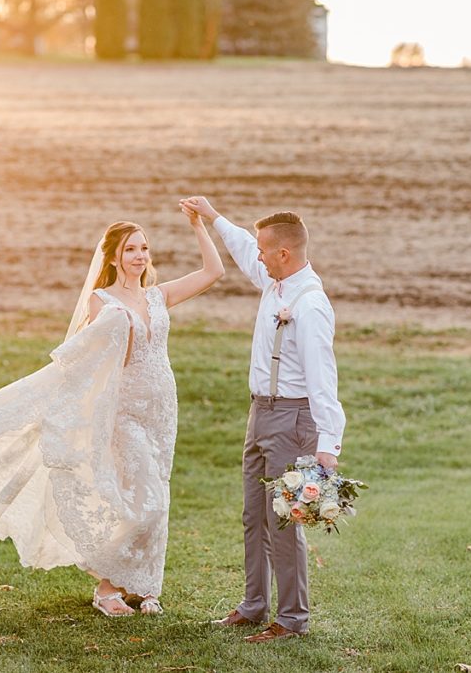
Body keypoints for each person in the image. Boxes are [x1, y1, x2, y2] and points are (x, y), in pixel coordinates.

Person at [0, 205, 224, 617]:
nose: (140, 256)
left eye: (145, 248)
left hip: (160, 413)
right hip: (122, 414)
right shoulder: (103, 303)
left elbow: (214, 272)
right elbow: (90, 363)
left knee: (154, 496)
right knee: (142, 502)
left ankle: (141, 585)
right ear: (114, 256)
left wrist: (198, 225)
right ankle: (106, 588)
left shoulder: (158, 296)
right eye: (131, 249)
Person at [181, 196, 346, 643]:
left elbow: (322, 377)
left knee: (283, 523)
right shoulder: (276, 284)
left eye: (263, 250)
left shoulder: (309, 305)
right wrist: (212, 217)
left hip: (293, 420)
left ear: (284, 254)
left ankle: (292, 619)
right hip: (260, 413)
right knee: (254, 516)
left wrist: (328, 444)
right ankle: (254, 605)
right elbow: (240, 247)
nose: (257, 257)